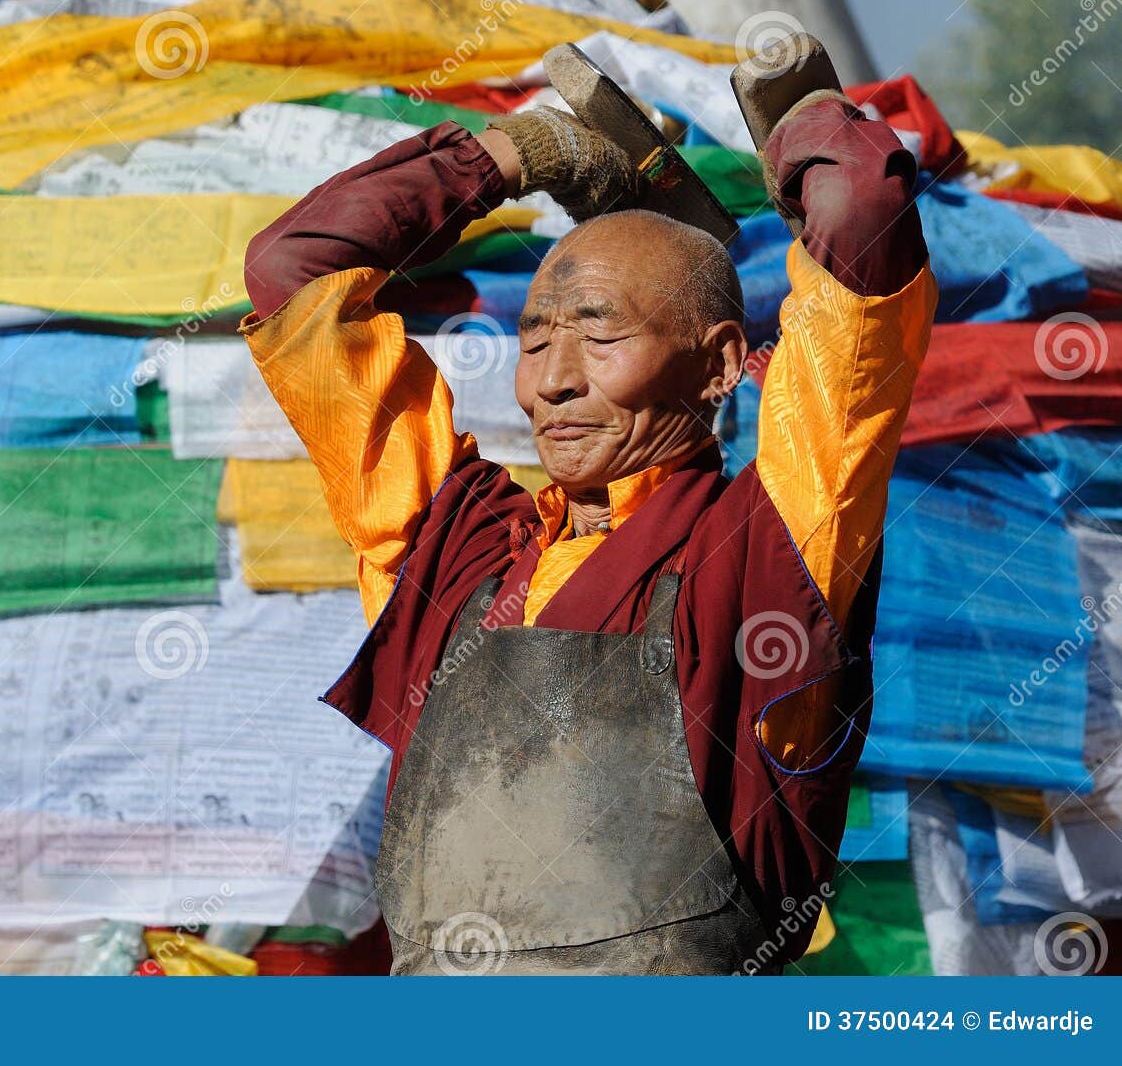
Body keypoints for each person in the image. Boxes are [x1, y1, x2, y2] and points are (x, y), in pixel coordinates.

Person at [240, 78, 934, 974]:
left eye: (601, 338)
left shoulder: (763, 548)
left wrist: (798, 121)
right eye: (534, 341)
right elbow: (295, 274)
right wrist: (519, 155)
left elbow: (861, 216)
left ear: (723, 362)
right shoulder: (453, 551)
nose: (553, 382)